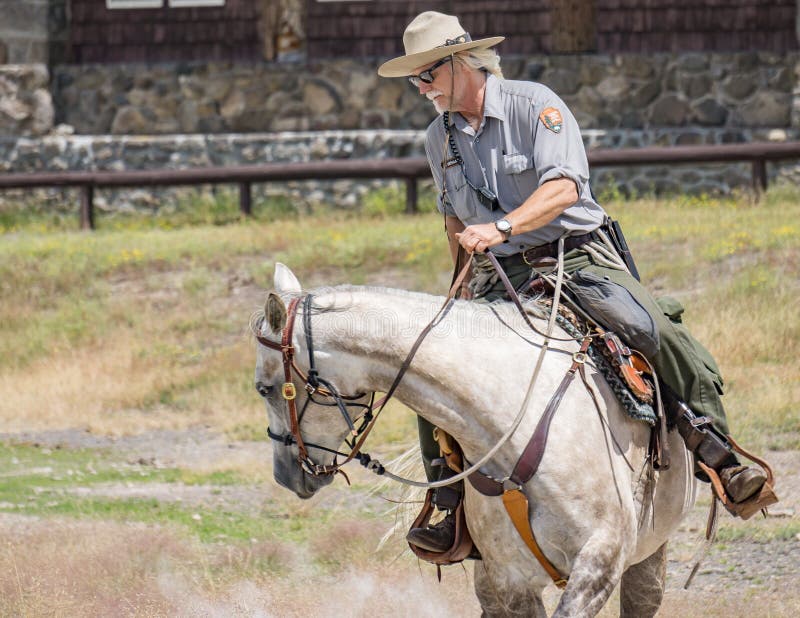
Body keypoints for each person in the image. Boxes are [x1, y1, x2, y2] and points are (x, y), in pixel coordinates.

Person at [378, 11, 772, 554]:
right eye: (413, 79)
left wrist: (502, 227)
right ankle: (445, 502)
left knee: (649, 329)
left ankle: (717, 451)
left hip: (575, 255)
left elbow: (563, 189)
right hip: (499, 272)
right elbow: (453, 219)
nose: (420, 88)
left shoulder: (535, 105)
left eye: (426, 75)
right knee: (434, 364)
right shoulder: (436, 137)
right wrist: (461, 284)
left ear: (460, 62)